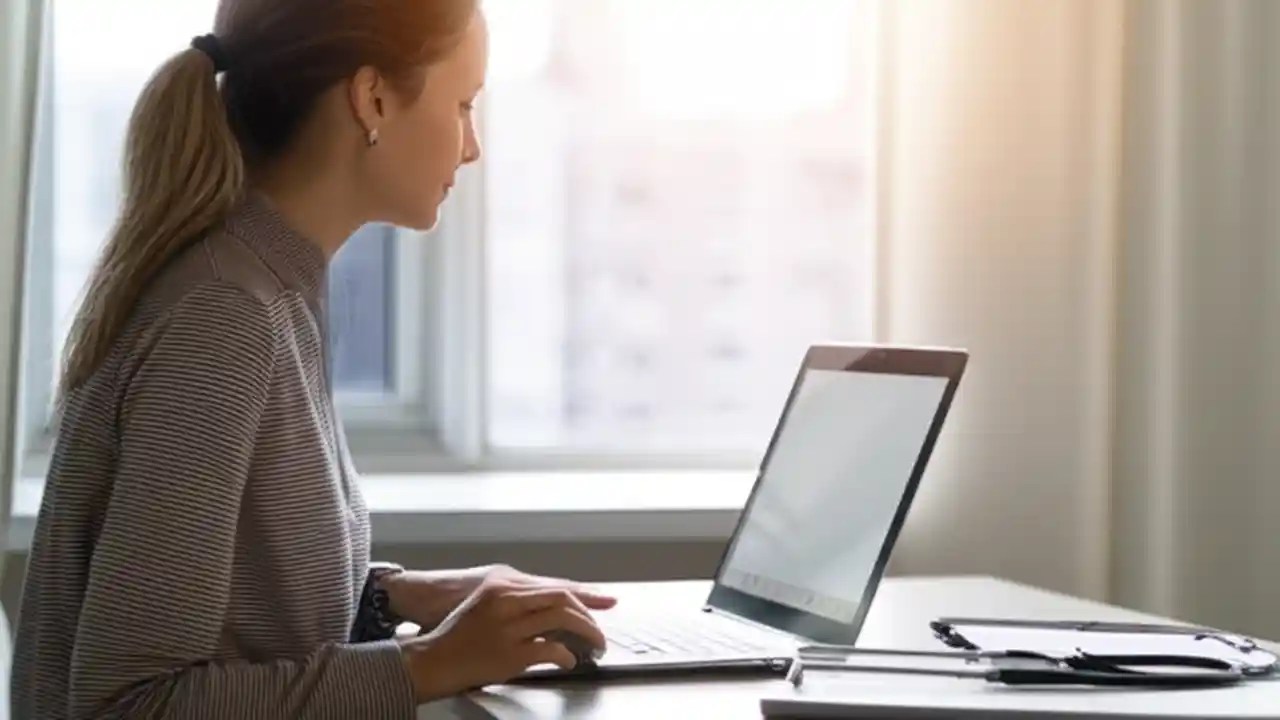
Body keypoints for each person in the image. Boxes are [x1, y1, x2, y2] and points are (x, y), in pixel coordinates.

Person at [11, 1, 617, 717]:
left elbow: (241, 614)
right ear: (373, 99)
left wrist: (394, 599)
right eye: (462, 105)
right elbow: (130, 703)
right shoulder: (223, 315)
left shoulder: (266, 284)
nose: (471, 146)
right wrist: (431, 662)